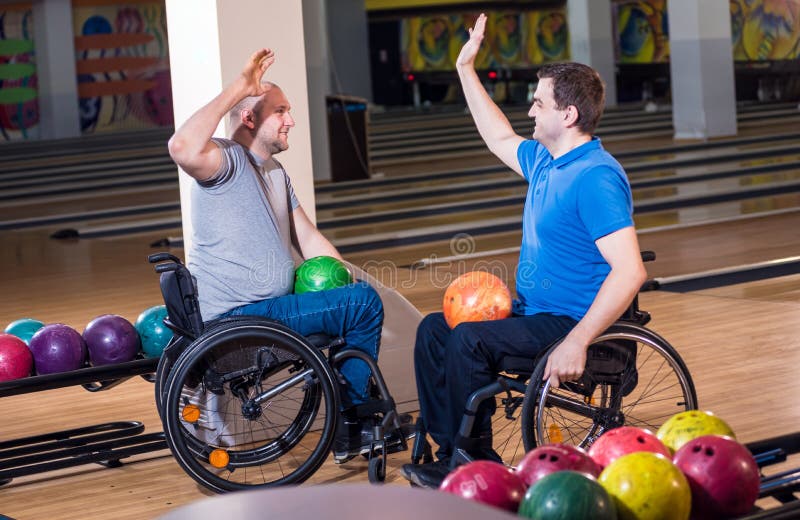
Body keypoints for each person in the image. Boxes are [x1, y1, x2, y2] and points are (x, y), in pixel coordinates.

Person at [400, 14, 647, 488]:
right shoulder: (546, 162)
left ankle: (474, 465)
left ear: (568, 115)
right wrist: (465, 70)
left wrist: (578, 339)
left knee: (469, 340)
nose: (529, 112)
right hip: (532, 312)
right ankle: (453, 449)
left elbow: (629, 270)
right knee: (435, 328)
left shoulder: (595, 177)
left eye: (538, 104)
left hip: (570, 322)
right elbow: (497, 136)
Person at [167, 48, 398, 464]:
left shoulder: (275, 171)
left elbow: (309, 239)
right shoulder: (226, 162)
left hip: (264, 312)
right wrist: (240, 87)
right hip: (240, 320)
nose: (291, 119)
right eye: (281, 111)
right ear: (250, 119)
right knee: (361, 307)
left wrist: (348, 277)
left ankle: (352, 415)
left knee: (358, 297)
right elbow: (181, 146)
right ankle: (350, 429)